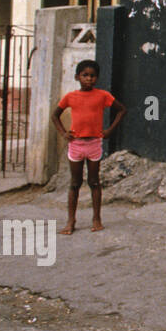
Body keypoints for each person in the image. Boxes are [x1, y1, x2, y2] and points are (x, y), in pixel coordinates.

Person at [51, 60, 126, 235]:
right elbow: (55, 116)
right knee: (75, 183)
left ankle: (97, 218)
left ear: (97, 78)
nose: (89, 79)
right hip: (76, 144)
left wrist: (109, 131)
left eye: (92, 76)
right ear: (77, 77)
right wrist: (63, 133)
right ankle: (71, 221)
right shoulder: (70, 97)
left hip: (94, 144)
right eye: (85, 75)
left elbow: (122, 110)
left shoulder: (102, 96)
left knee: (94, 182)